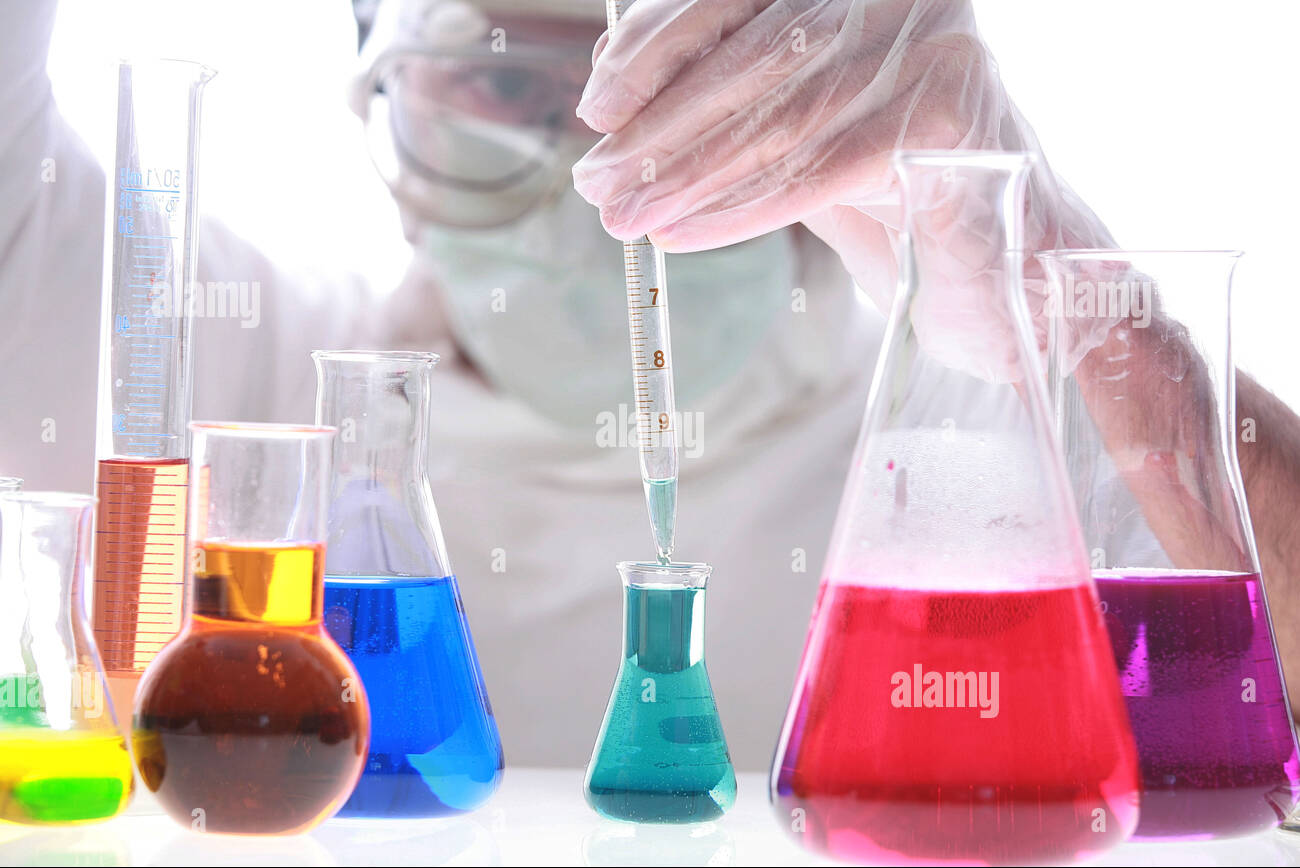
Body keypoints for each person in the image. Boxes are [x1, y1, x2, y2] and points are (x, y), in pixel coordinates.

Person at [1, 0, 1297, 773]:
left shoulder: (981, 415)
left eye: (696, 75)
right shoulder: (228, 362)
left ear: (821, 57)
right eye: (507, 79)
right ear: (377, 105)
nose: (598, 166)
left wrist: (1057, 277)